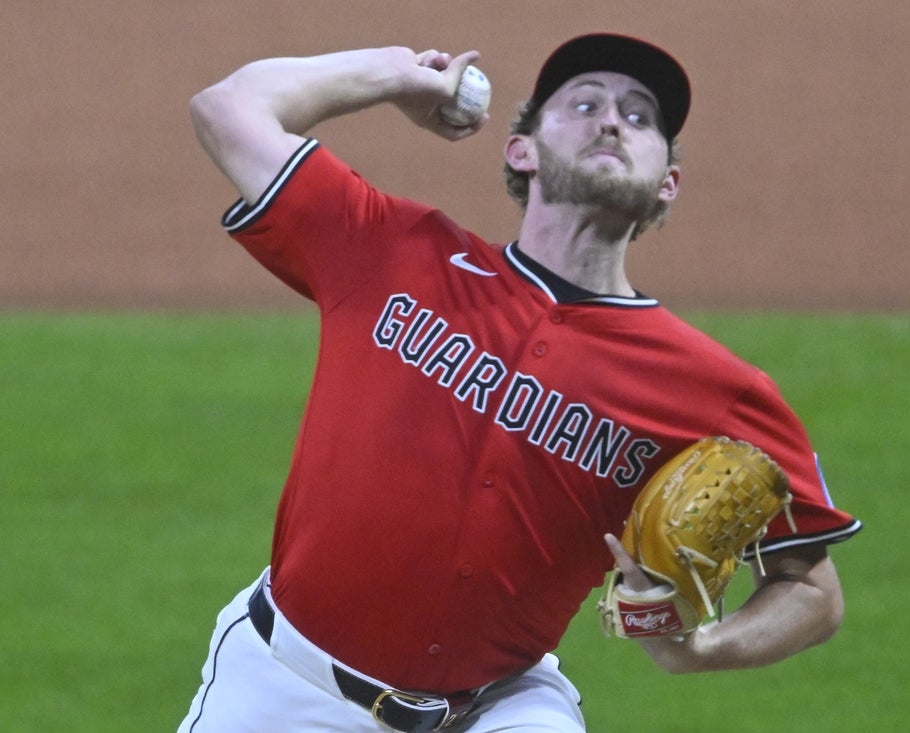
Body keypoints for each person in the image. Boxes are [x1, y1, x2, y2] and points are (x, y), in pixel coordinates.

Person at [181, 33, 861, 733]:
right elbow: (230, 109)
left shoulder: (717, 391)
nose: (610, 120)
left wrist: (699, 647)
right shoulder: (390, 252)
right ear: (522, 151)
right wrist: (394, 74)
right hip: (283, 685)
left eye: (639, 117)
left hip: (502, 708)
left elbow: (811, 588)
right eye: (584, 103)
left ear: (667, 183)